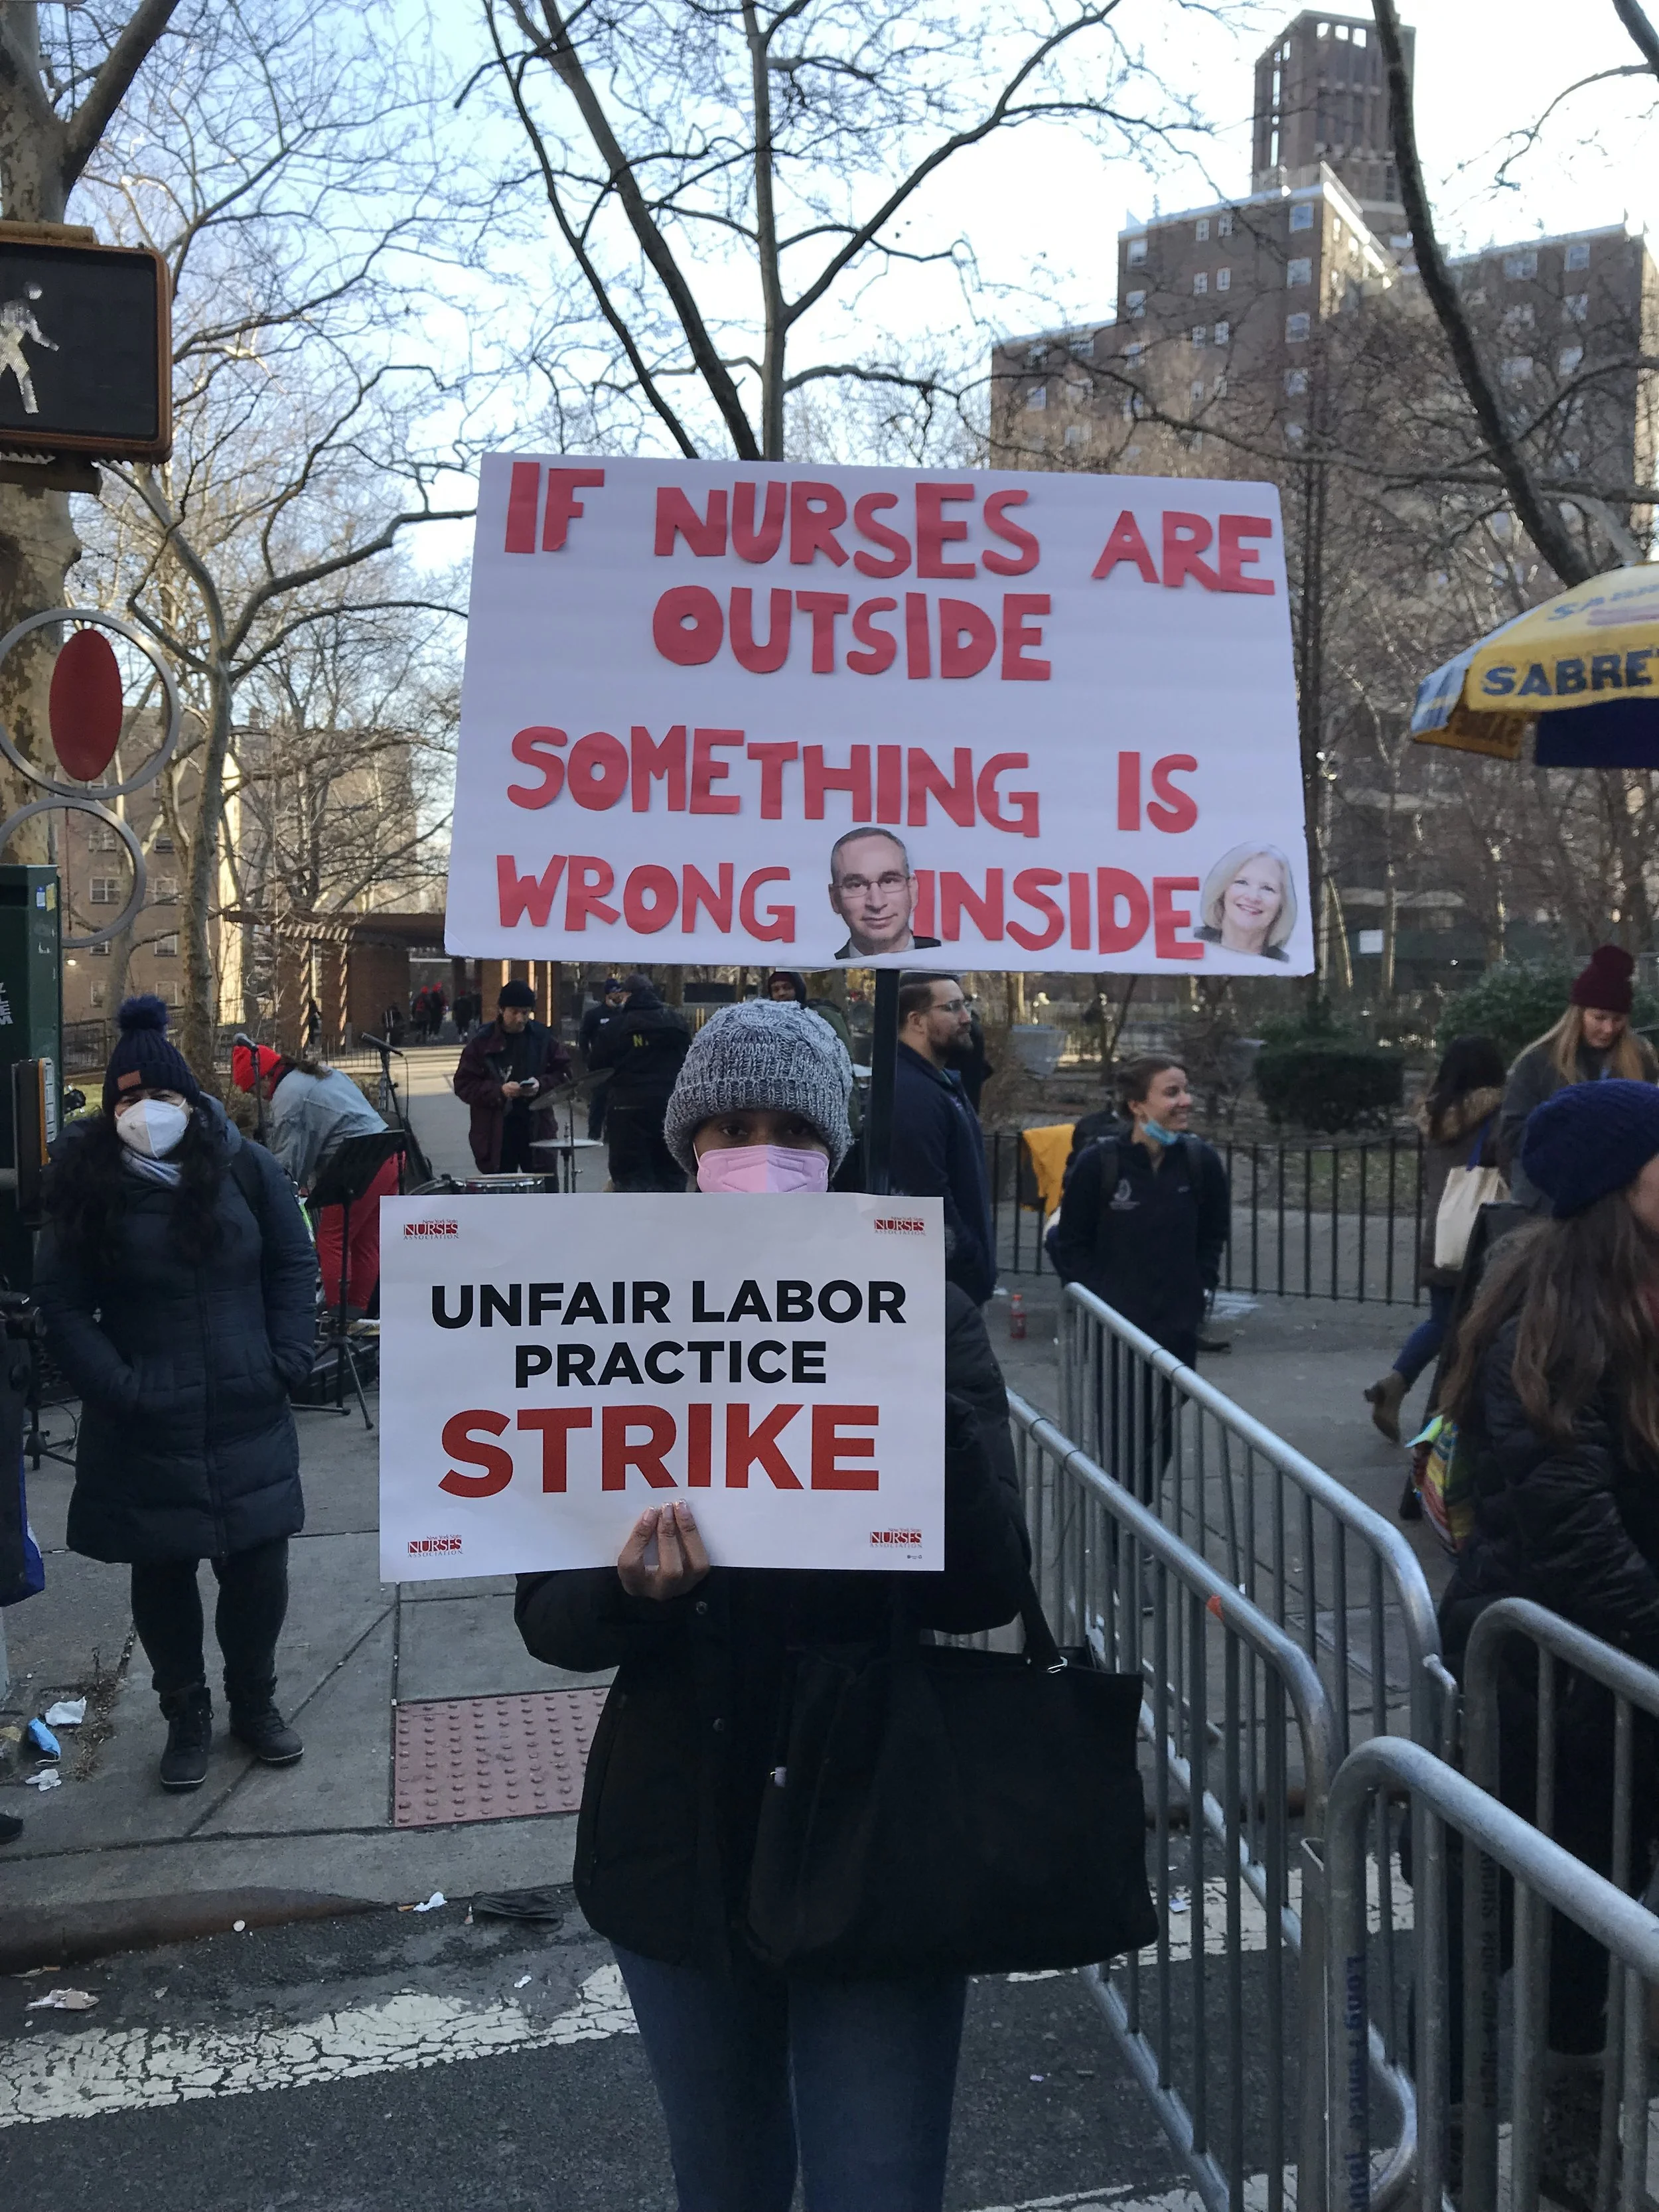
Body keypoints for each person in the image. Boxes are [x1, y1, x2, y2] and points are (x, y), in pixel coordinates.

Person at [514, 998, 1030, 2212]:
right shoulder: (615, 1312)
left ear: (833, 1150)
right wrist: (628, 1589)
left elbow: (993, 1575)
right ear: (691, 1150)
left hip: (874, 1825)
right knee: (726, 2182)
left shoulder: (926, 1309)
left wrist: (899, 1377)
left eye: (789, 1125)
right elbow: (549, 1617)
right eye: (732, 1125)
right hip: (679, 1830)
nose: (760, 1149)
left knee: (877, 2185)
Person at [1436, 1079, 1659, 2209]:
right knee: (1489, 1937)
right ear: (1626, 1186)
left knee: (1597, 1930)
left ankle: (1572, 2163)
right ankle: (1459, 2151)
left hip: (1622, 1691)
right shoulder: (1555, 1316)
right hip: (1539, 1681)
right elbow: (1573, 1528)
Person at [35, 997, 317, 1792]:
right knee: (162, 1570)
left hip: (246, 1403)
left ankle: (253, 1703)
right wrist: (117, 1386)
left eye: (161, 1097)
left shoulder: (244, 1166)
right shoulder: (88, 1186)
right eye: (127, 1100)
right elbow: (59, 1302)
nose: (145, 1113)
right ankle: (184, 1712)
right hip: (144, 1418)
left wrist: (288, 1354)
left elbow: (291, 1263)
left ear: (192, 1101)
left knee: (258, 1567)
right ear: (109, 1108)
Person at [1051, 1057, 1229, 1499]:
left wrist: (1199, 1287)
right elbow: (1066, 1242)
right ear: (1137, 1105)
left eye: (1186, 1090)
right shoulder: (1100, 1164)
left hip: (1176, 1327)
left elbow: (1212, 1235)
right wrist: (1099, 1298)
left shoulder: (1199, 1162)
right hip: (1116, 1332)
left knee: (1161, 1432)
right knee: (1119, 1439)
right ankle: (1122, 1534)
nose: (1185, 1101)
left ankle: (1140, 1514)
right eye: (1171, 1092)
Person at [1364, 1035, 1507, 1445]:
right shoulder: (1496, 1118)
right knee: (1475, 1331)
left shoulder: (1436, 1116)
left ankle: (1397, 1384)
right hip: (1482, 1239)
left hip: (1443, 1238)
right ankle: (1448, 1417)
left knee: (1444, 1320)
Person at [233, 1042, 394, 1313]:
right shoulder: (319, 1074)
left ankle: (338, 1316)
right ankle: (358, 1316)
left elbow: (285, 1164)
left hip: (357, 1163)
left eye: (252, 1090)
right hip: (388, 1154)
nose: (259, 1098)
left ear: (264, 1077)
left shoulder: (288, 1096)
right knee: (365, 1242)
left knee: (331, 1240)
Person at [1499, 945, 1658, 1209]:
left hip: (1615, 1203)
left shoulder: (1641, 1059)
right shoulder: (1536, 1062)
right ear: (1578, 1014)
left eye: (1618, 1019)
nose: (1608, 1029)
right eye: (1599, 1017)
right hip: (1546, 1201)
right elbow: (1512, 1131)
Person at [891, 973, 995, 1305]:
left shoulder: (938, 1083)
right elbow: (926, 1197)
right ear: (917, 1021)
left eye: (966, 1005)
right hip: (944, 1294)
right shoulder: (910, 1093)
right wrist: (971, 1261)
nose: (966, 1018)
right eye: (952, 1008)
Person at [453, 980, 571, 1175]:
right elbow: (464, 1084)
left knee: (545, 1193)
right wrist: (499, 1091)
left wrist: (540, 1084)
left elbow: (564, 1073)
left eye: (525, 1013)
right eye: (514, 1012)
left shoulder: (542, 1038)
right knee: (501, 1196)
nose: (520, 1019)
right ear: (501, 1009)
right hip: (496, 1132)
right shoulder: (482, 1042)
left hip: (537, 1128)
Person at [588, 972, 691, 1191]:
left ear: (628, 995)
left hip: (628, 1110)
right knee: (671, 1173)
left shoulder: (615, 1027)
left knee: (632, 1179)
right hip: (670, 1106)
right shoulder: (677, 1022)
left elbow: (596, 1065)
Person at [828, 828, 942, 960]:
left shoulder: (954, 962)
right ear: (835, 899)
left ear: (912, 890)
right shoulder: (818, 972)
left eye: (889, 881)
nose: (877, 903)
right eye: (856, 885)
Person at [1192, 844, 1296, 962]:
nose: (1253, 897)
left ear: (1282, 904)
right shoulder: (1190, 940)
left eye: (1268, 888)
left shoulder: (1286, 965)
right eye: (1242, 882)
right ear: (1222, 890)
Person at [580, 976, 626, 1142]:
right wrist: (587, 1057)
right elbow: (584, 1037)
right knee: (598, 1101)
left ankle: (610, 1134)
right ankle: (594, 1134)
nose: (619, 995)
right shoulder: (595, 1015)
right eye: (615, 992)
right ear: (608, 995)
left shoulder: (624, 1014)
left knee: (615, 1102)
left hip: (619, 1066)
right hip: (600, 1066)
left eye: (620, 992)